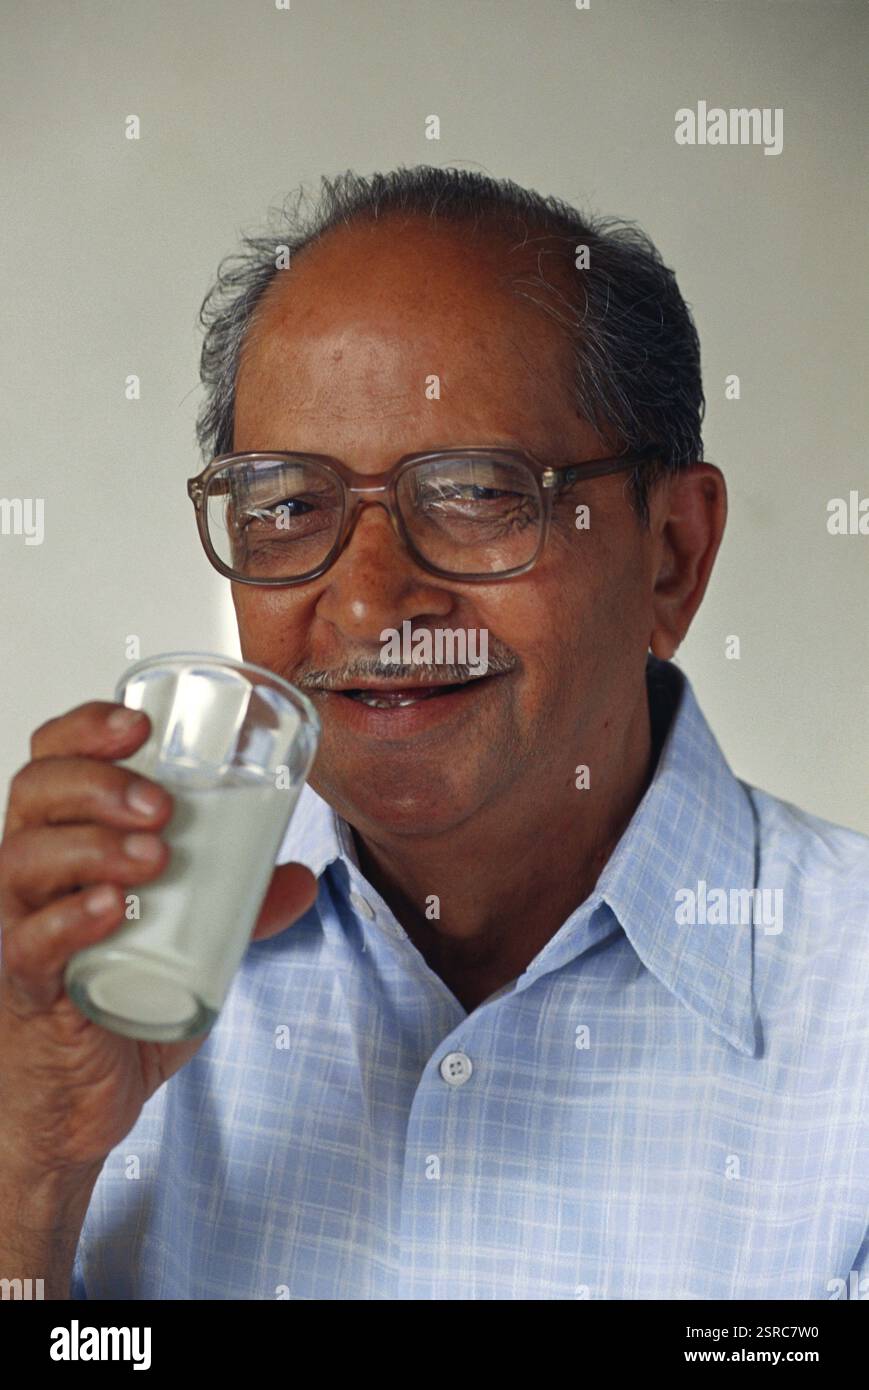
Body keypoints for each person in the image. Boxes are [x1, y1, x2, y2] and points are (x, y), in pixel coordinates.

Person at [1, 167, 866, 1301]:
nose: (368, 606)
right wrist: (29, 1177)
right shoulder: (80, 983)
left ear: (670, 554)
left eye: (473, 492)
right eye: (287, 505)